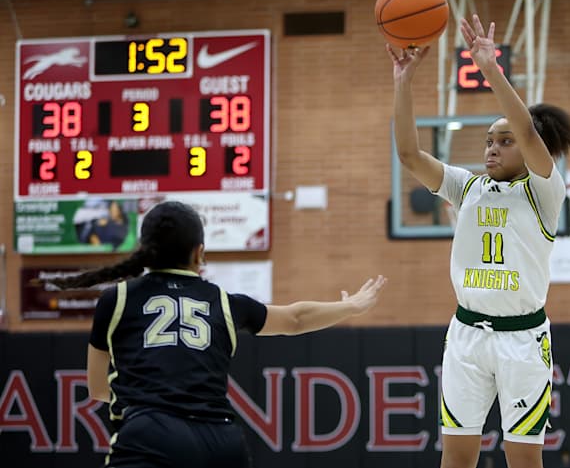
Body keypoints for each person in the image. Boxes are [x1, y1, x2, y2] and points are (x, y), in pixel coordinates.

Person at [49, 200, 386, 468]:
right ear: (199, 252)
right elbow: (295, 319)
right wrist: (351, 306)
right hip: (221, 443)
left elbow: (98, 388)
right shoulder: (224, 302)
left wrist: (153, 393)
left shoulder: (117, 299)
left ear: (144, 249)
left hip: (149, 435)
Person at [387, 14, 570, 468]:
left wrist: (489, 68)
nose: (492, 147)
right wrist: (403, 82)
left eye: (504, 141)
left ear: (529, 150)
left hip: (523, 339)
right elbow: (409, 154)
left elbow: (528, 131)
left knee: (524, 460)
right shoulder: (466, 187)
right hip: (467, 334)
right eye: (489, 140)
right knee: (456, 458)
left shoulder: (544, 192)